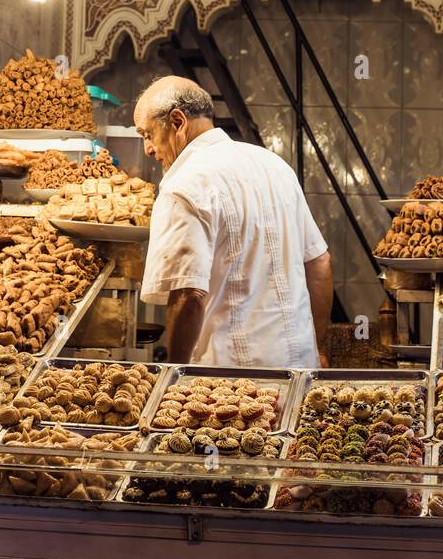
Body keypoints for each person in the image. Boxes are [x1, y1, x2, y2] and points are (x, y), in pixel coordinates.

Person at [134, 76, 333, 367]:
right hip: (299, 367)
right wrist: (318, 349)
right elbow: (320, 263)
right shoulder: (275, 166)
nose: (148, 149)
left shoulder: (184, 184)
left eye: (147, 134)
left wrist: (173, 375)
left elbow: (189, 295)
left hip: (231, 383)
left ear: (177, 122)